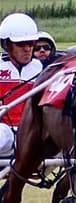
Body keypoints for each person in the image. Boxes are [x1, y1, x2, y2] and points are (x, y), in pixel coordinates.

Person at [1, 13, 44, 156]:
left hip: (33, 132)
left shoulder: (40, 68)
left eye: (31, 43)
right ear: (6, 45)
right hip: (5, 131)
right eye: (20, 44)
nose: (27, 49)